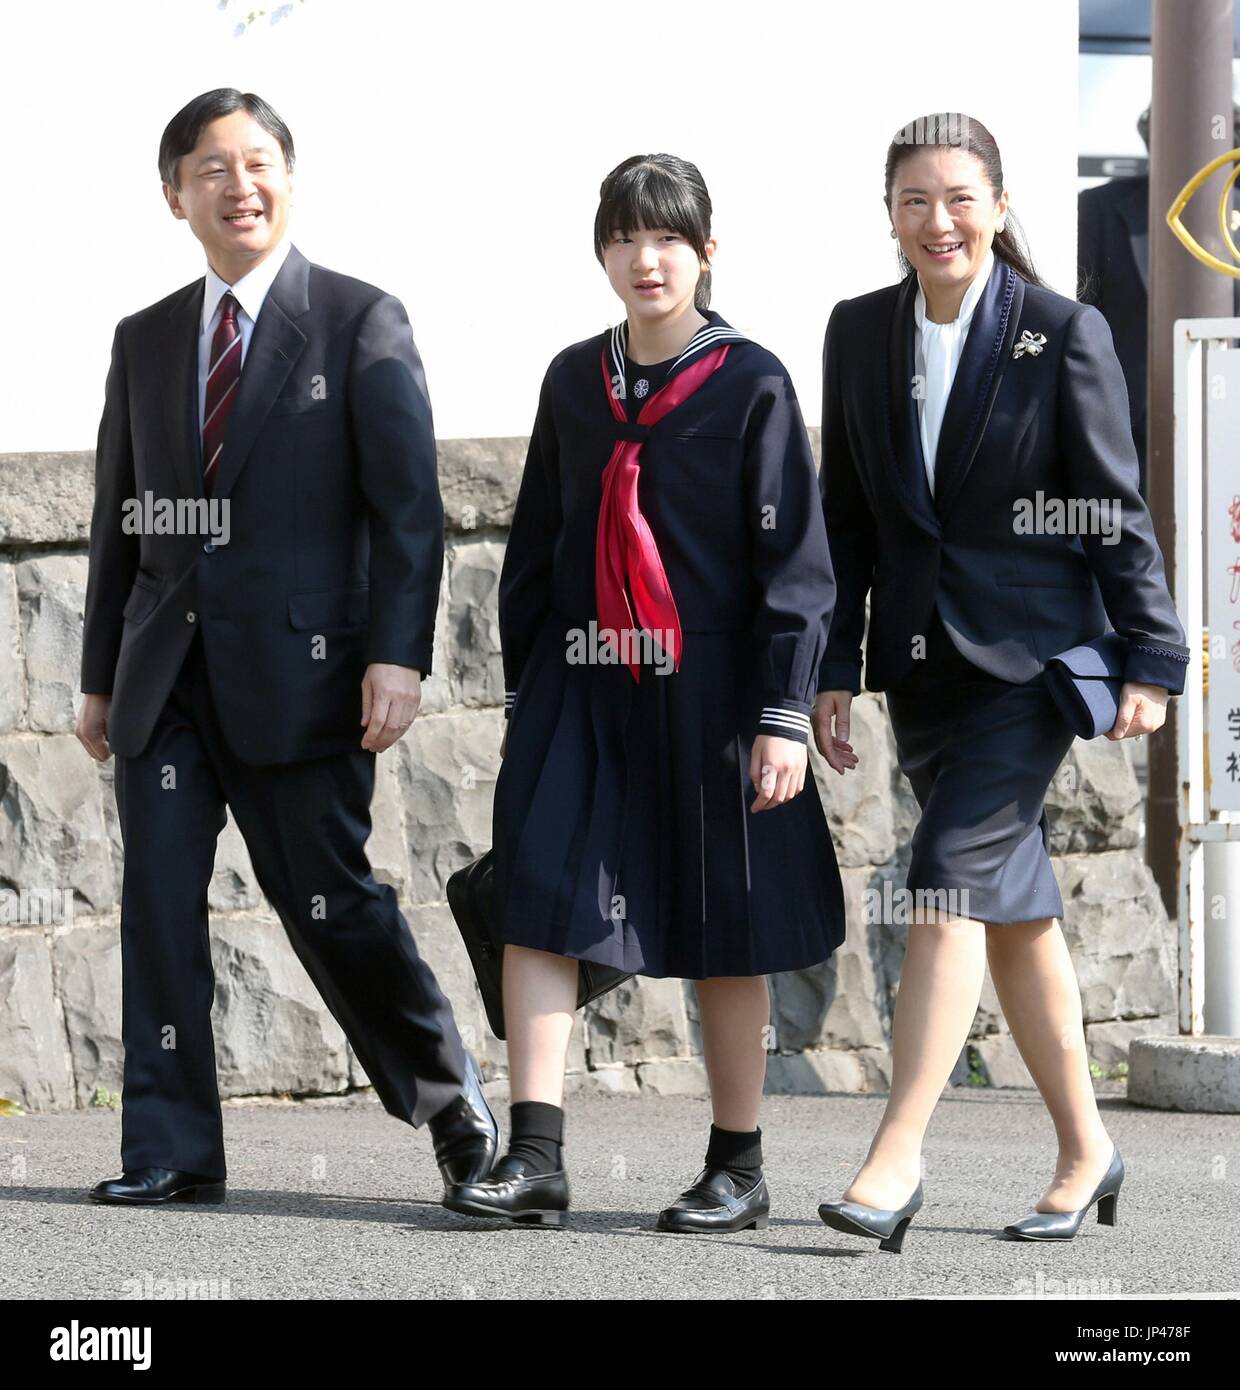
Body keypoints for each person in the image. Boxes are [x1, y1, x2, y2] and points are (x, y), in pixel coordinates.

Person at [76, 88, 497, 1206]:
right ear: (176, 195)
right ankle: (170, 1149)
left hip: (306, 678)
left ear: (289, 178)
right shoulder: (146, 337)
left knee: (331, 899)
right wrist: (95, 677)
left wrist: (397, 654)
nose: (238, 185)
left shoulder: (361, 321)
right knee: (159, 907)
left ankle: (448, 1096)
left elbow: (410, 509)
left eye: (257, 162)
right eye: (211, 168)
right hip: (164, 676)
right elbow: (122, 511)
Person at [444, 153, 846, 1231]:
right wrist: (528, 687)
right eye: (624, 237)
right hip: (582, 681)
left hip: (715, 692)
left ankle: (737, 1165)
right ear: (603, 253)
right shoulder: (575, 380)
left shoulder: (753, 380)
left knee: (727, 924)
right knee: (540, 898)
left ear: (706, 253)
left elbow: (796, 568)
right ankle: (534, 1155)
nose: (645, 256)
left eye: (667, 237)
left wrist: (781, 711)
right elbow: (539, 539)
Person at [813, 113, 1189, 1251]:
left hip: (1032, 665)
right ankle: (1087, 1149)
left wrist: (1154, 657)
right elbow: (848, 520)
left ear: (1001, 203)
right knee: (1010, 914)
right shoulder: (857, 332)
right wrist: (829, 667)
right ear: (888, 215)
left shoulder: (1060, 333)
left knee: (942, 882)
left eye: (960, 197)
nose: (939, 221)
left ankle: (894, 1156)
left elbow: (1112, 509)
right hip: (925, 670)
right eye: (915, 201)